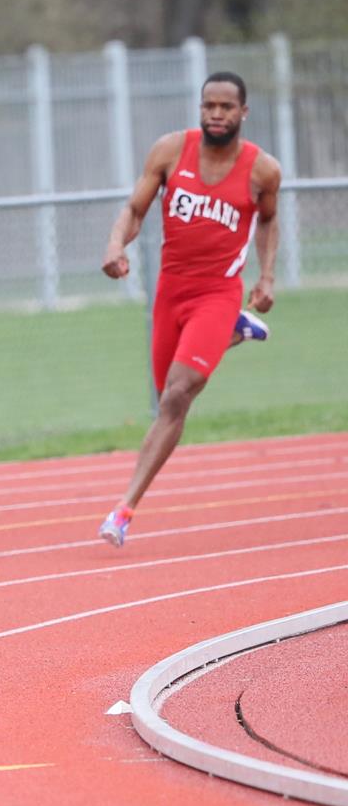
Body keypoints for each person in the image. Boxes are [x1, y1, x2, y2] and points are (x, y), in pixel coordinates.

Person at [98, 72, 279, 547]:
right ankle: (232, 334)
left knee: (179, 395)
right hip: (171, 291)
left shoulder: (263, 170)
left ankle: (124, 509)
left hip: (218, 292)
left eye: (226, 107)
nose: (216, 114)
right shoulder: (170, 151)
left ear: (243, 112)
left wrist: (266, 276)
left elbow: (268, 220)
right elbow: (135, 210)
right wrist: (116, 245)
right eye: (208, 106)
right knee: (166, 402)